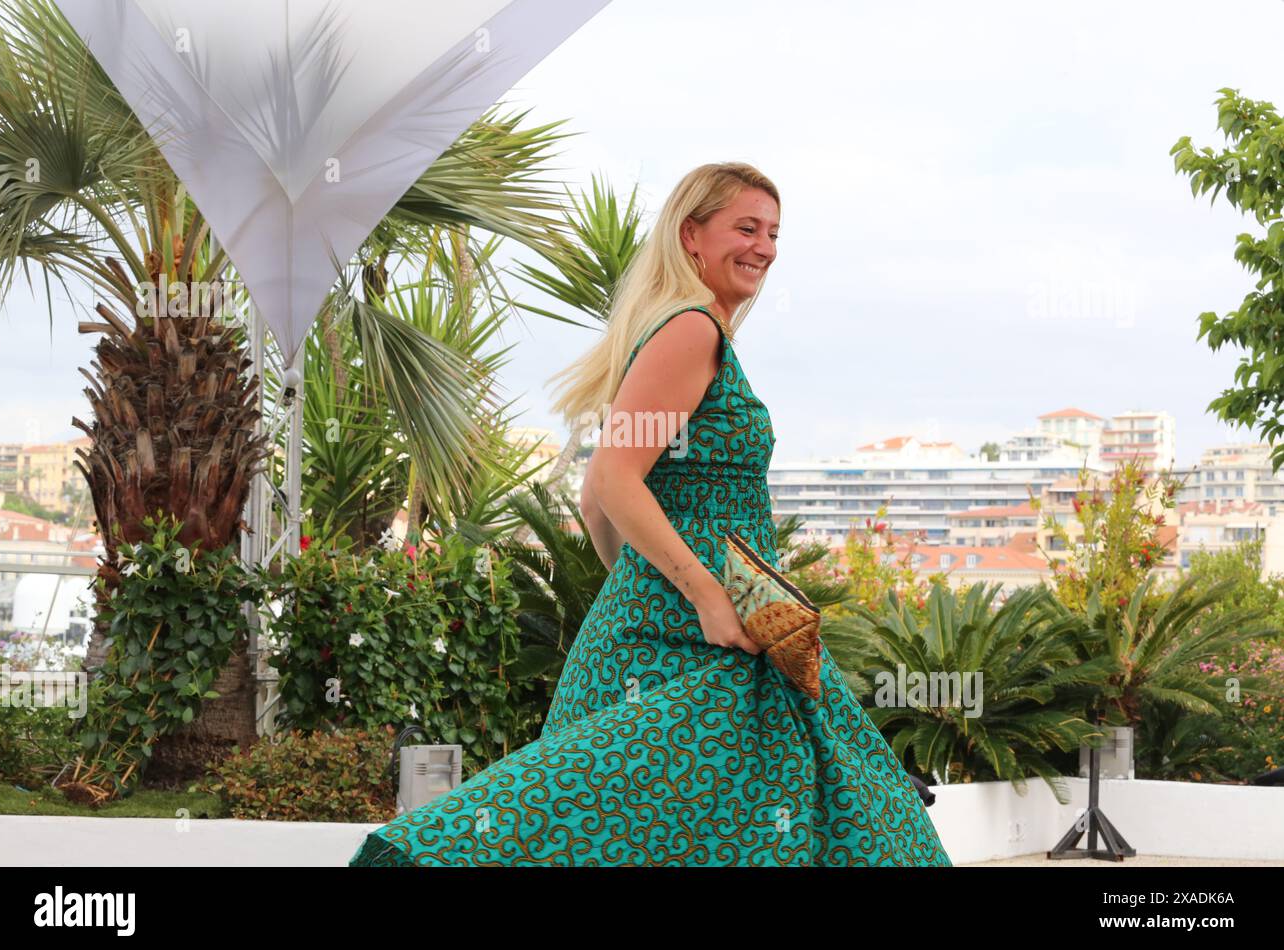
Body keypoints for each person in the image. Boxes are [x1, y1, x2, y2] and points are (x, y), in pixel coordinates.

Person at [349, 162, 953, 866]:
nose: (764, 246)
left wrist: (641, 596)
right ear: (691, 236)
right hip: (703, 640)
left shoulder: (690, 333)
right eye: (746, 228)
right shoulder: (690, 330)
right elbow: (611, 477)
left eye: (773, 233)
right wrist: (701, 596)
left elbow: (593, 502)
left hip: (680, 639)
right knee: (857, 821)